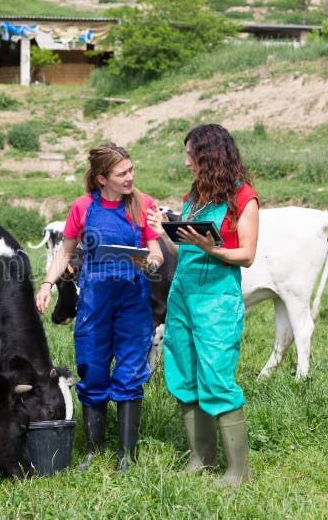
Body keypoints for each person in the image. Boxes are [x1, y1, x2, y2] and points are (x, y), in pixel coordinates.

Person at [35, 142, 163, 473]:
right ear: (102, 178)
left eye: (132, 170)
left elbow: (156, 252)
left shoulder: (143, 205)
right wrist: (47, 285)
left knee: (130, 370)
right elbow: (64, 253)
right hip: (93, 302)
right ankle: (93, 451)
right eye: (123, 173)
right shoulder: (83, 207)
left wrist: (151, 263)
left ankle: (126, 455)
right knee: (92, 369)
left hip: (133, 300)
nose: (130, 177)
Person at [147, 123, 259, 488]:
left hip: (217, 299)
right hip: (182, 295)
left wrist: (213, 248)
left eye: (191, 156)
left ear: (210, 156)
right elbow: (187, 252)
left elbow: (247, 255)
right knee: (183, 372)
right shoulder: (194, 196)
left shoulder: (244, 198)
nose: (186, 163)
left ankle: (238, 471)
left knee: (215, 376)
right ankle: (202, 459)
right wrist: (168, 231)